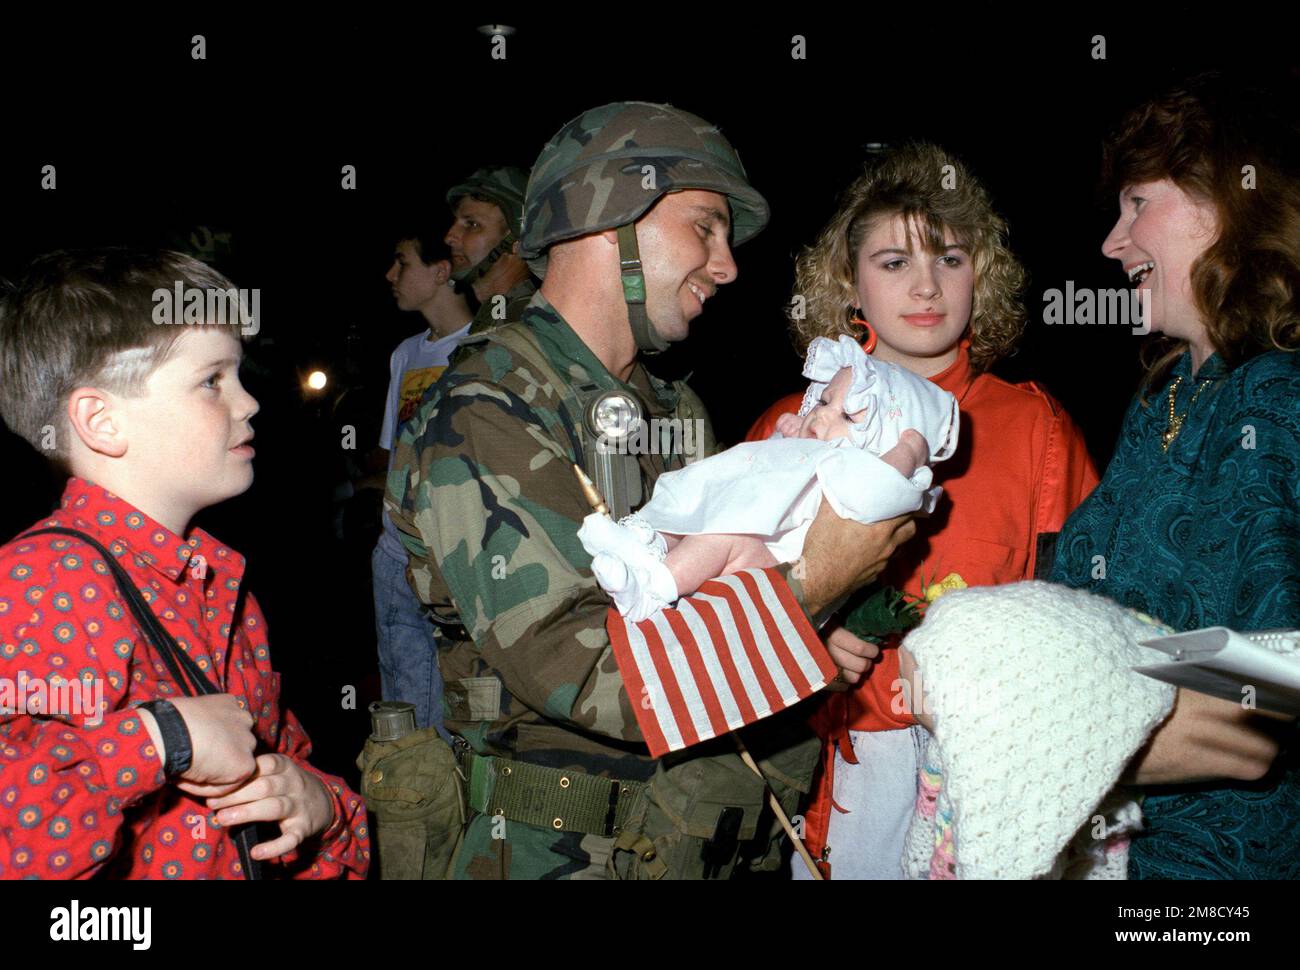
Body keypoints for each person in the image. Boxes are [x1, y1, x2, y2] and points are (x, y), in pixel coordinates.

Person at [385, 101, 918, 880]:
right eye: (703, 225)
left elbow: (714, 595)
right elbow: (595, 672)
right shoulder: (484, 409)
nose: (727, 263)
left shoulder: (670, 409)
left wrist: (815, 627)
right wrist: (810, 589)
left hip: (693, 846)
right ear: (607, 218)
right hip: (559, 856)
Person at [747, 142, 1099, 878]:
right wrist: (805, 639)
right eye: (894, 263)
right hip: (828, 766)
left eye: (950, 258)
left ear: (983, 275)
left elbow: (1086, 617)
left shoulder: (1037, 427)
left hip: (989, 771)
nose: (927, 287)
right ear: (849, 284)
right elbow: (720, 605)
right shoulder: (792, 423)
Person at [0, 248, 369, 879]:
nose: (250, 403)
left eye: (240, 377)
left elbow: (304, 794)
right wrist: (158, 739)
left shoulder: (223, 591)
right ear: (102, 421)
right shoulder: (45, 579)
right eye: (212, 381)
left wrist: (319, 807)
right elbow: (19, 840)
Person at [1051, 73, 1300, 879]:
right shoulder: (1168, 393)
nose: (1112, 243)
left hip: (1214, 874)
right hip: (1122, 851)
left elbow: (1259, 697)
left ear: (1224, 201)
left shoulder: (1273, 393)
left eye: (1137, 205)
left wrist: (1032, 722)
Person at [580, 334, 957, 621]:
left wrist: (907, 452)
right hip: (735, 514)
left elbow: (879, 490)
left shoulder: (856, 472)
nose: (823, 416)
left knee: (722, 536)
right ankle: (642, 542)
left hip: (773, 557)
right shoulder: (816, 444)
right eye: (825, 402)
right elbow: (767, 473)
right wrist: (786, 435)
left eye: (850, 417)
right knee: (697, 510)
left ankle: (653, 588)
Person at [371, 232, 472, 735]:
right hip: (396, 547)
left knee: (459, 691)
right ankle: (409, 801)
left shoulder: (484, 347)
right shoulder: (404, 354)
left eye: (401, 261)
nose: (391, 275)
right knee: (402, 688)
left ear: (440, 271)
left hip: (452, 548)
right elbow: (392, 449)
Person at [443, 165, 536, 359]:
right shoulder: (496, 313)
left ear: (515, 242)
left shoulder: (525, 323)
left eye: (472, 224)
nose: (450, 237)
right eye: (456, 223)